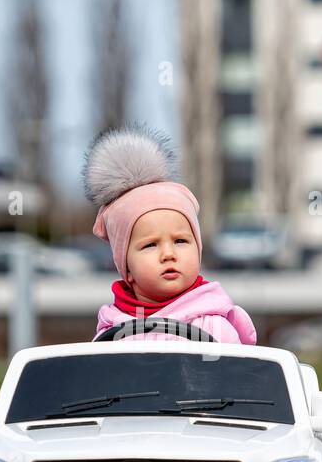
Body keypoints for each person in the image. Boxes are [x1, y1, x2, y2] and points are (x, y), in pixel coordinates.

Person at [81, 124, 257, 344]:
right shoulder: (111, 334)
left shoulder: (215, 328)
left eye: (181, 241)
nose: (168, 254)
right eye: (150, 245)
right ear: (127, 267)